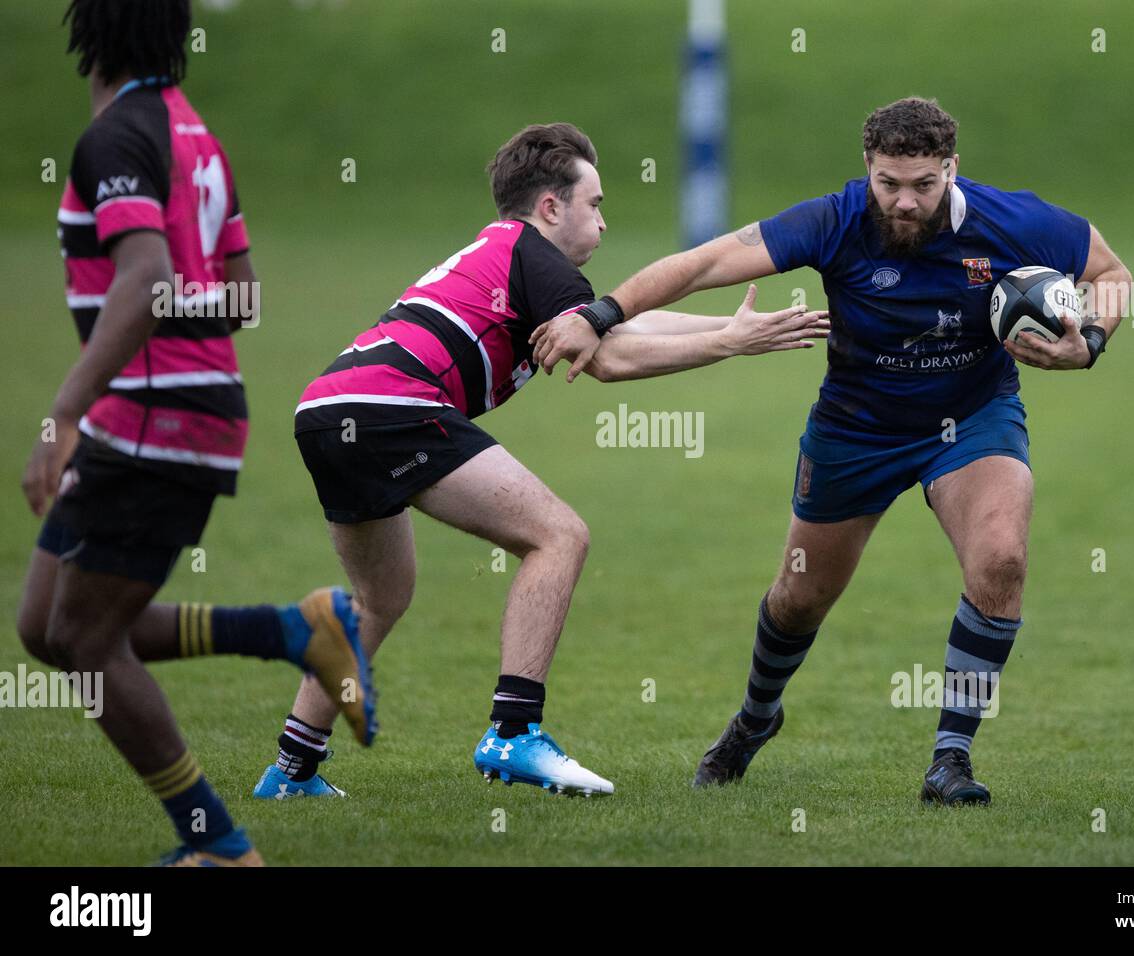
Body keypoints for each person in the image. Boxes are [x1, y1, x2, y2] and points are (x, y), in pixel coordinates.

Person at [530, 97, 1133, 805]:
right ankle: (756, 718)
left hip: (973, 419)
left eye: (923, 184)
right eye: (888, 183)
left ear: (952, 170)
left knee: (1001, 559)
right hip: (856, 430)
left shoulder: (1016, 222)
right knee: (798, 599)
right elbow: (705, 262)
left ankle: (951, 759)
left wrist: (1088, 341)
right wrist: (600, 314)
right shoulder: (834, 220)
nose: (904, 202)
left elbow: (1112, 273)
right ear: (868, 170)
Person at [257, 121, 829, 799]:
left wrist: (737, 331)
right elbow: (608, 358)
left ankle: (290, 771)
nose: (604, 224)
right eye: (596, 204)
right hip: (391, 409)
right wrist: (729, 346)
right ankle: (513, 732)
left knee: (381, 597)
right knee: (558, 535)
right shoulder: (530, 251)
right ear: (550, 207)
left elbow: (619, 326)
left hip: (327, 411)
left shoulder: (513, 260)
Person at [17, 0, 374, 866]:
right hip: (185, 409)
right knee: (45, 627)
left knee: (88, 641)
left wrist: (61, 411)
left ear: (88, 29)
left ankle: (214, 842)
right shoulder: (194, 136)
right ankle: (291, 631)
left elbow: (144, 279)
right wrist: (163, 307)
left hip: (154, 421)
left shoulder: (114, 138)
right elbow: (243, 298)